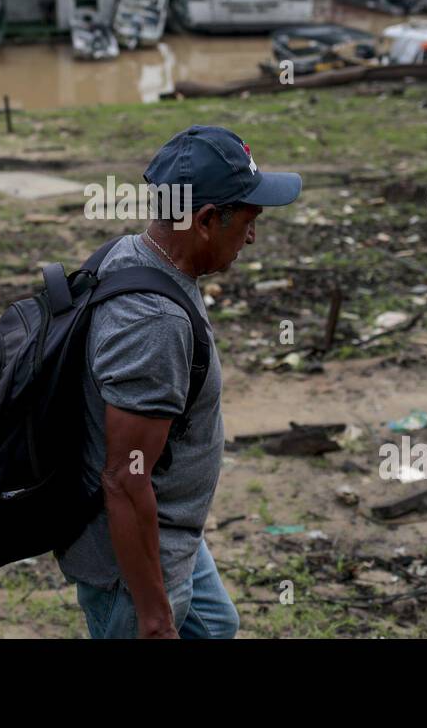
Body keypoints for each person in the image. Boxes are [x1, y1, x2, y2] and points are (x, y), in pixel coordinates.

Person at [56, 126, 302, 638]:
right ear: (207, 220)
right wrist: (153, 615)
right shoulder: (154, 323)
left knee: (213, 628)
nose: (253, 237)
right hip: (135, 556)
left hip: (173, 528)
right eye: (249, 221)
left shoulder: (132, 254)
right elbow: (125, 480)